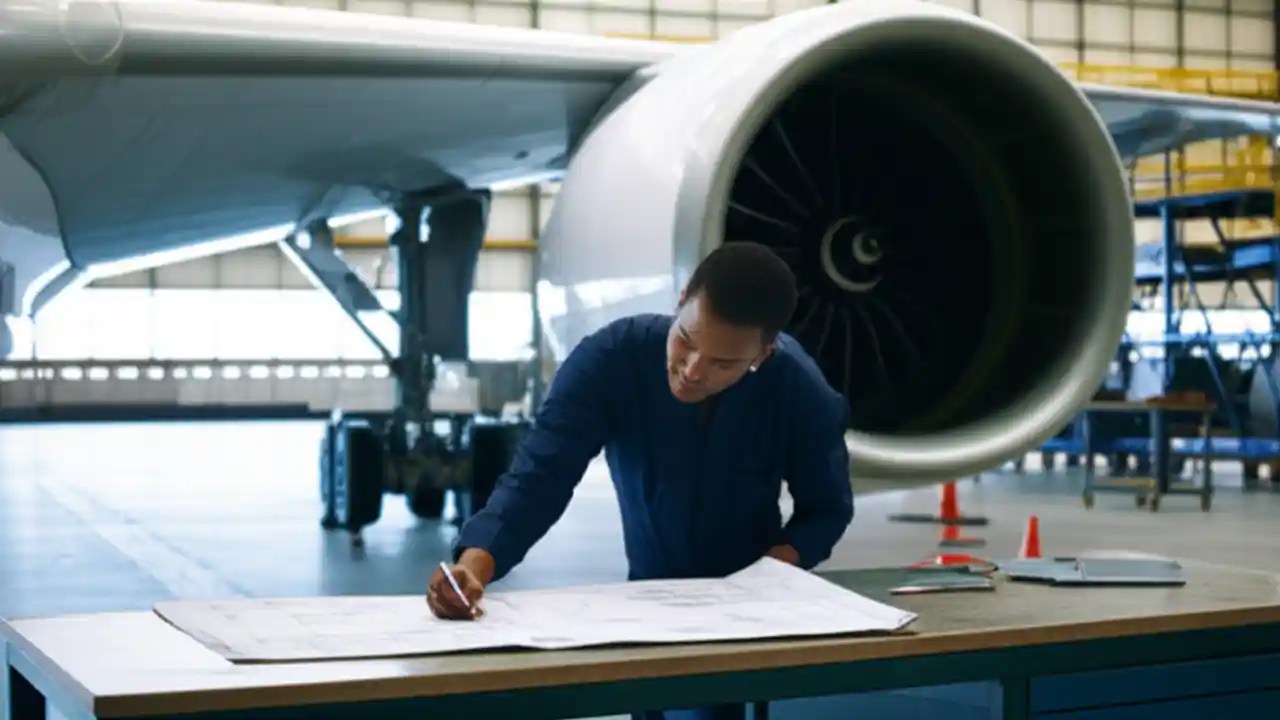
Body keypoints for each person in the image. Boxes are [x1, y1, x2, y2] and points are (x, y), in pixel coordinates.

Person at [427, 242, 854, 718]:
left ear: (762, 354)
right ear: (680, 301)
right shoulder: (609, 361)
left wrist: (768, 575)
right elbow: (538, 477)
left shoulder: (802, 392)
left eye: (723, 364)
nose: (693, 371)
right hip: (644, 597)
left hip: (747, 608)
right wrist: (474, 566)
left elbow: (826, 509)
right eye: (687, 340)